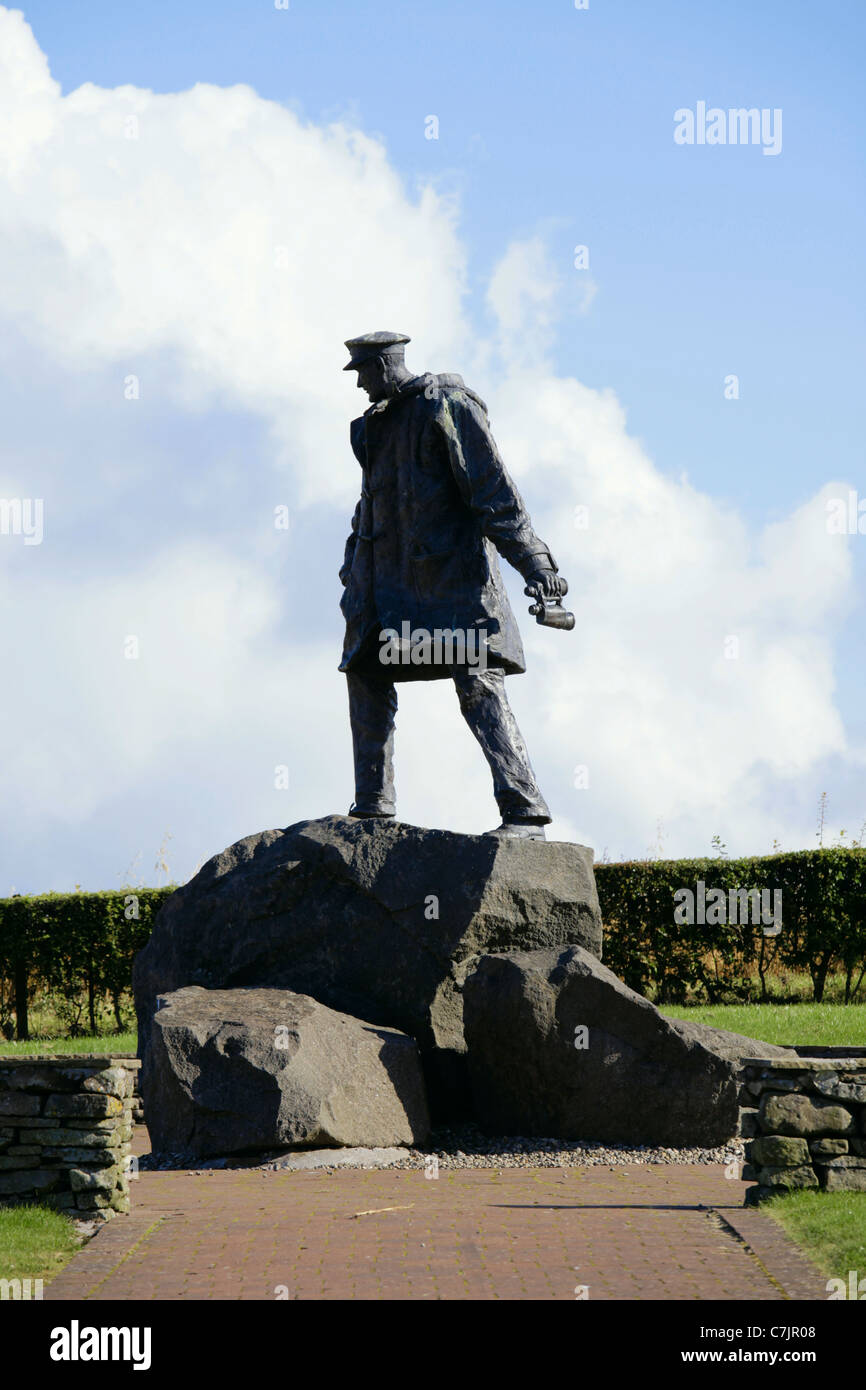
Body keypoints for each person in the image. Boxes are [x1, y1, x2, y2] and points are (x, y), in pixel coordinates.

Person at [339, 331, 569, 839]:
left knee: (477, 683)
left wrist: (537, 566)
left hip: (453, 593)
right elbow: (368, 507)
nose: (360, 387)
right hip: (388, 598)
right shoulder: (372, 429)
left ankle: (525, 811)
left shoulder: (447, 406)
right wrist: (351, 572)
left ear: (383, 364)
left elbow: (495, 495)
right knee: (366, 673)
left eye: (362, 374)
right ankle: (373, 805)